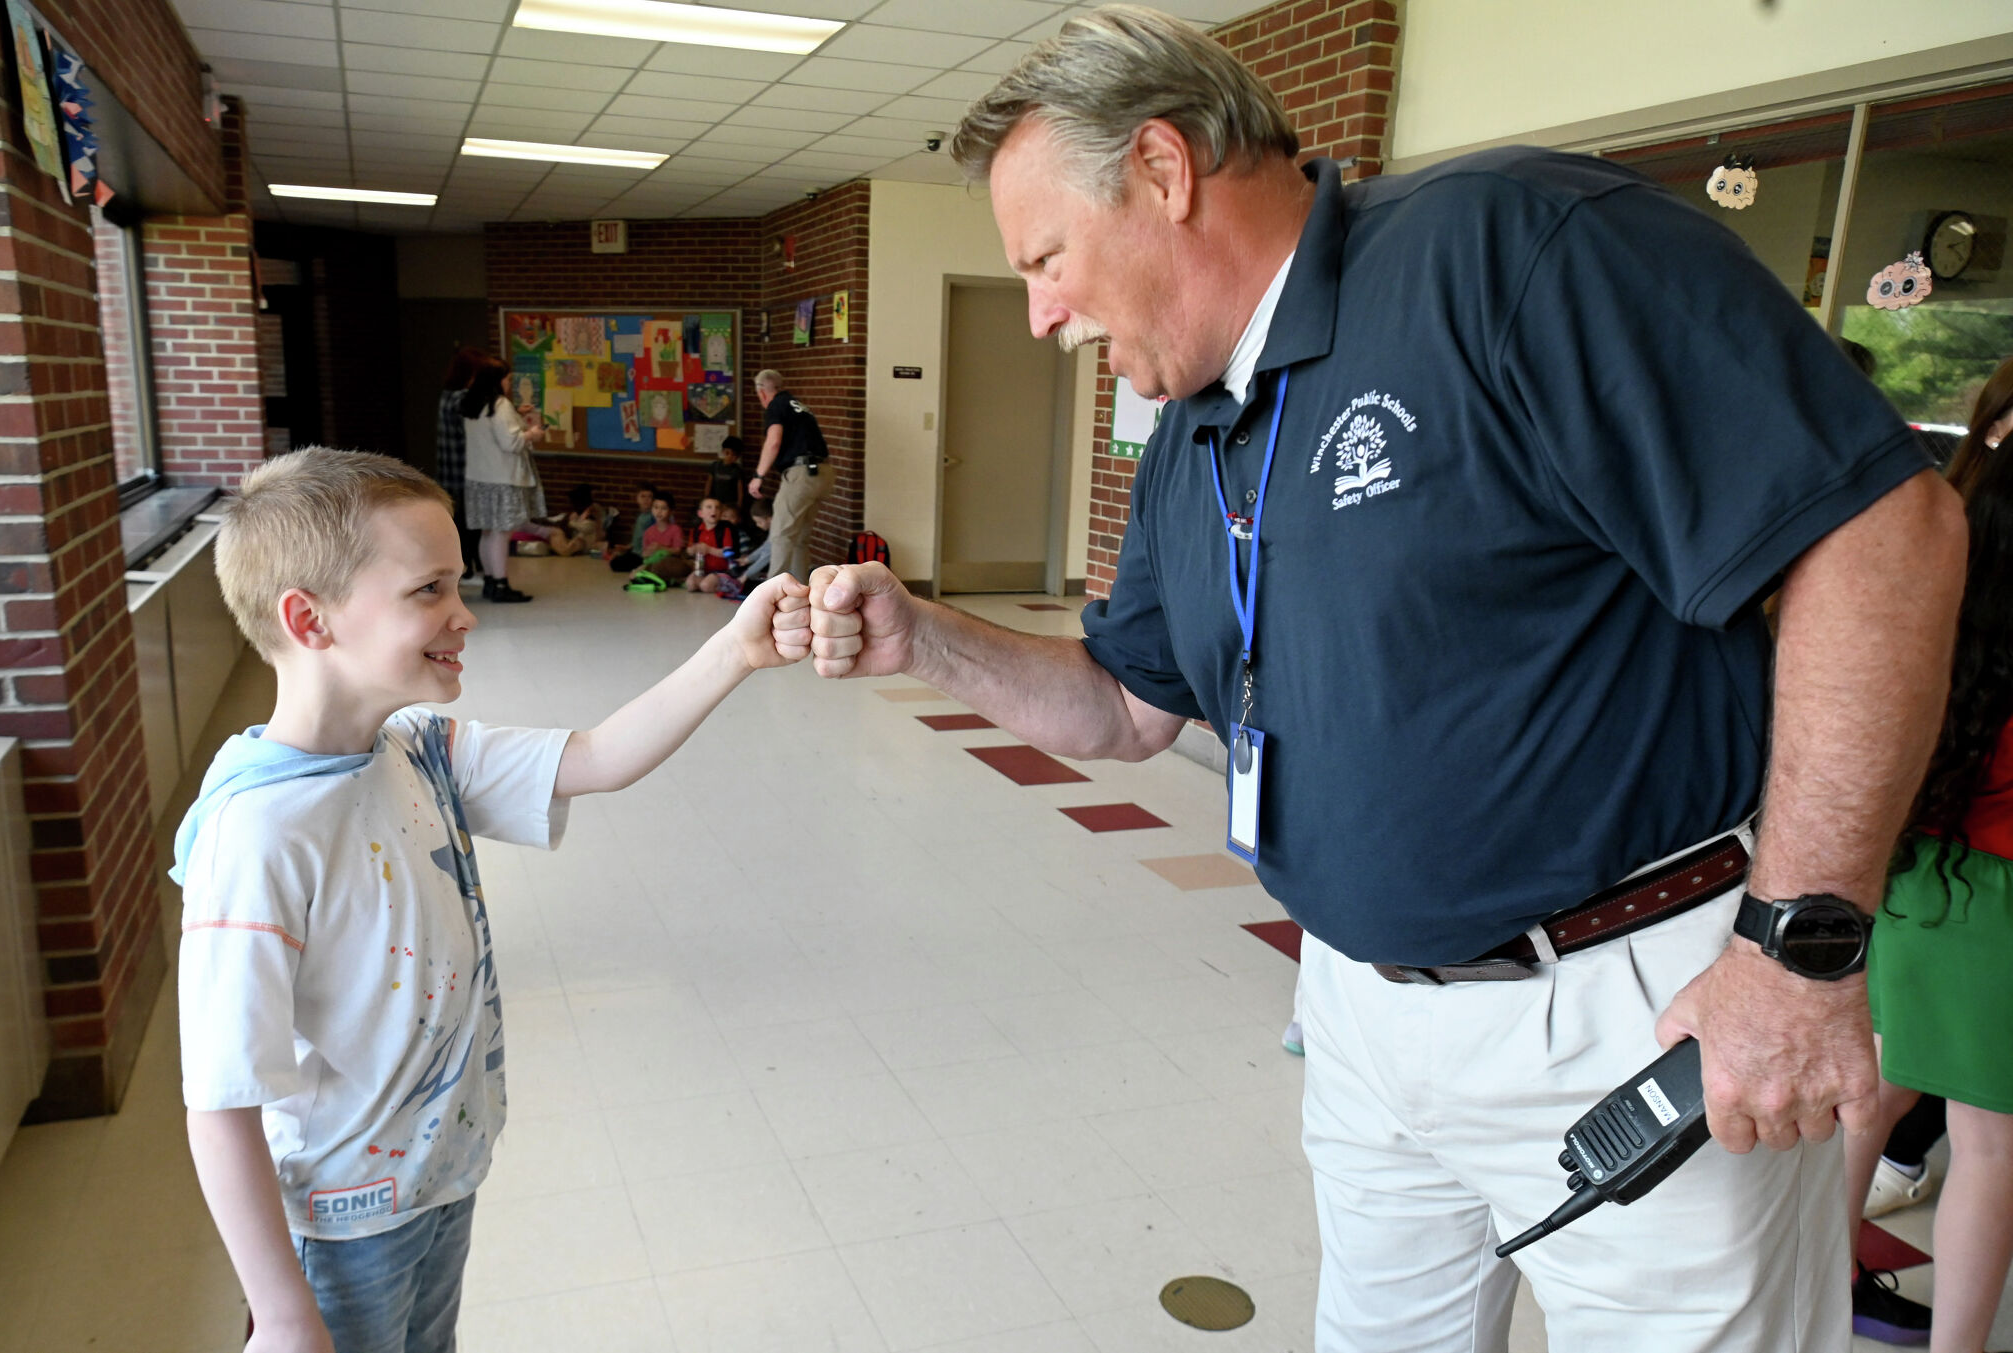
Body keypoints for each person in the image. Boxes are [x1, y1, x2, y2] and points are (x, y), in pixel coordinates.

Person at [800, 9, 1968, 1349]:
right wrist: (923, 637)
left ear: (1168, 173)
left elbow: (1885, 533)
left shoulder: (1512, 252)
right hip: (1359, 1016)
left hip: (1631, 1013)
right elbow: (1129, 709)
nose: (1044, 313)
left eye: (1049, 259)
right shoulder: (1197, 428)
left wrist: (1799, 953)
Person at [174, 448, 811, 1353]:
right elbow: (221, 1100)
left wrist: (735, 650)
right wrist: (281, 1313)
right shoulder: (258, 834)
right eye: (429, 590)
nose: (463, 612)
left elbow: (593, 756)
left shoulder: (416, 745)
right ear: (309, 620)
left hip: (440, 1179)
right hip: (344, 1225)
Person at [1844, 356, 2013, 1352]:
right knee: (1989, 1141)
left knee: (1870, 1093)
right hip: (1995, 885)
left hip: (1907, 864)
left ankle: (1813, 1295)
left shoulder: (1931, 540)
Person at [460, 355, 541, 604]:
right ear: (497, 380)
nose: (509, 383)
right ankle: (501, 583)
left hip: (479, 478)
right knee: (502, 533)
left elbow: (493, 431)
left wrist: (516, 415)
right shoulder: (500, 405)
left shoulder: (473, 404)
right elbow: (511, 442)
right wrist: (532, 433)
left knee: (488, 532)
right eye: (508, 379)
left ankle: (491, 581)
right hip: (503, 478)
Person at [747, 370, 833, 580]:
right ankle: (801, 593)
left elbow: (773, 441)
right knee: (799, 539)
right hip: (823, 473)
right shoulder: (798, 406)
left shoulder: (776, 405)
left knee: (781, 536)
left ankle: (774, 596)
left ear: (762, 392)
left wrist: (759, 475)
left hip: (801, 474)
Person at [433, 347, 484, 579]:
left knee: (459, 519)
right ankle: (468, 562)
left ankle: (467, 563)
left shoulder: (446, 395)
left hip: (448, 469)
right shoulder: (462, 399)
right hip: (465, 469)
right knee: (470, 521)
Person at [684, 496, 739, 594]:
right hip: (702, 569)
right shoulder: (696, 530)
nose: (714, 510)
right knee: (690, 585)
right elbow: (689, 551)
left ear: (721, 513)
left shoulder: (725, 529)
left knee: (706, 586)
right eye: (709, 507)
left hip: (722, 570)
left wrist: (709, 550)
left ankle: (732, 584)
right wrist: (692, 550)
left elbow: (729, 553)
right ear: (700, 513)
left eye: (717, 507)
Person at [605, 482, 662, 573]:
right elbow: (639, 537)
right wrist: (626, 547)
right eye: (643, 496)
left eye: (649, 496)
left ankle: (646, 565)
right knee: (616, 555)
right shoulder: (641, 516)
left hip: (643, 555)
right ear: (637, 498)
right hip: (636, 551)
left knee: (615, 564)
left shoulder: (653, 516)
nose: (646, 500)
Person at [735, 499, 774, 586]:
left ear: (769, 519)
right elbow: (766, 547)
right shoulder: (774, 531)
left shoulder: (777, 534)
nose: (757, 525)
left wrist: (745, 575)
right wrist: (748, 559)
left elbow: (766, 557)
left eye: (759, 522)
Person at [707, 435, 747, 513]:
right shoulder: (715, 466)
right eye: (727, 453)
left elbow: (740, 490)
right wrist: (707, 497)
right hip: (715, 501)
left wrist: (739, 505)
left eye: (734, 455)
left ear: (737, 457)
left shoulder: (737, 470)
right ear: (723, 451)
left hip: (730, 504)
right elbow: (709, 483)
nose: (730, 457)